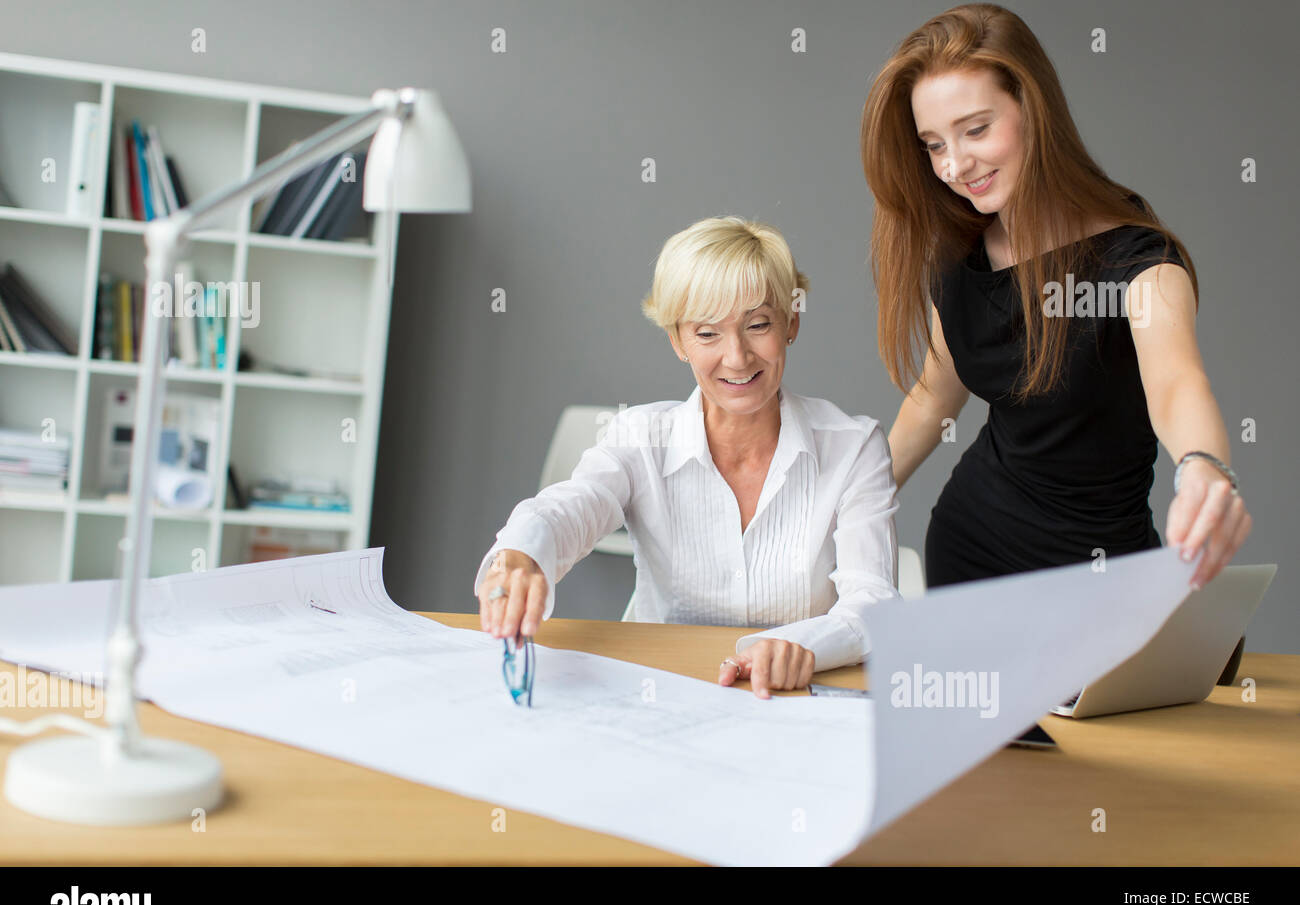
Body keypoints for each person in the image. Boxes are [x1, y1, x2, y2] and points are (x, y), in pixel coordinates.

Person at [860, 3, 1250, 589]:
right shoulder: (960, 250)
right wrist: (855, 502)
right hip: (971, 552)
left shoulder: (1137, 262)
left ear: (1032, 109)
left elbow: (1176, 384)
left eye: (976, 129)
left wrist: (1203, 470)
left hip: (1098, 574)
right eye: (933, 144)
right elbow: (932, 398)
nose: (954, 166)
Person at [474, 216, 900, 697]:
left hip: (795, 698)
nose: (737, 357)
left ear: (791, 323)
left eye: (757, 325)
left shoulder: (854, 446)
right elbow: (572, 504)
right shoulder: (639, 437)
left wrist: (801, 645)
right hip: (664, 690)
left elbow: (874, 601)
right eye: (707, 334)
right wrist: (521, 555)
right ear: (677, 341)